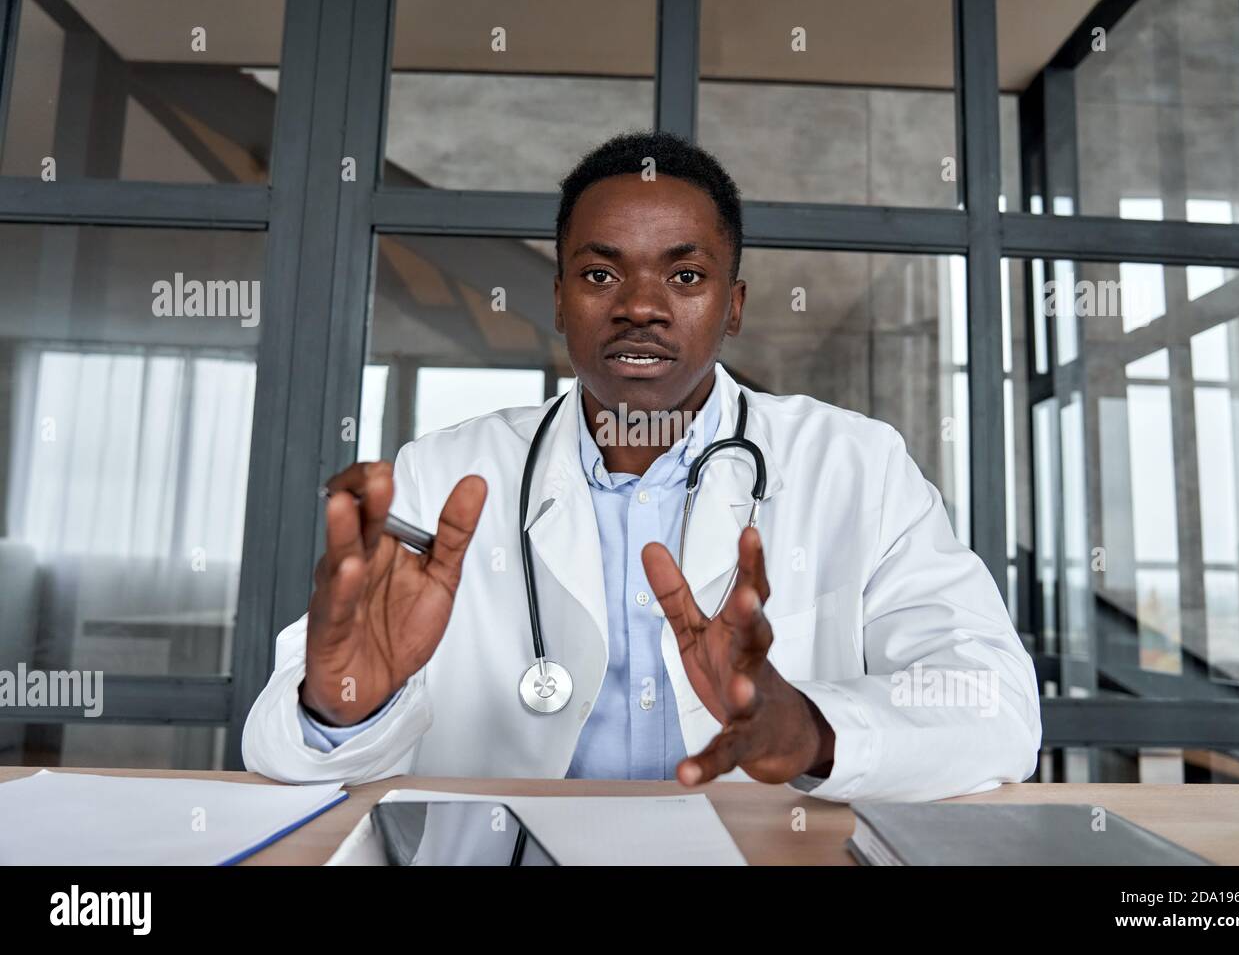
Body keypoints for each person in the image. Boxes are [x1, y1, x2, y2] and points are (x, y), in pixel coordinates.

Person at [242, 130, 1040, 802]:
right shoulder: (446, 475)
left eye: (685, 276)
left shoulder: (855, 465)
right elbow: (278, 751)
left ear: (734, 306)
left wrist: (815, 730)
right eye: (600, 274)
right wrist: (347, 704)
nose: (641, 306)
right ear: (559, 300)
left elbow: (995, 706)